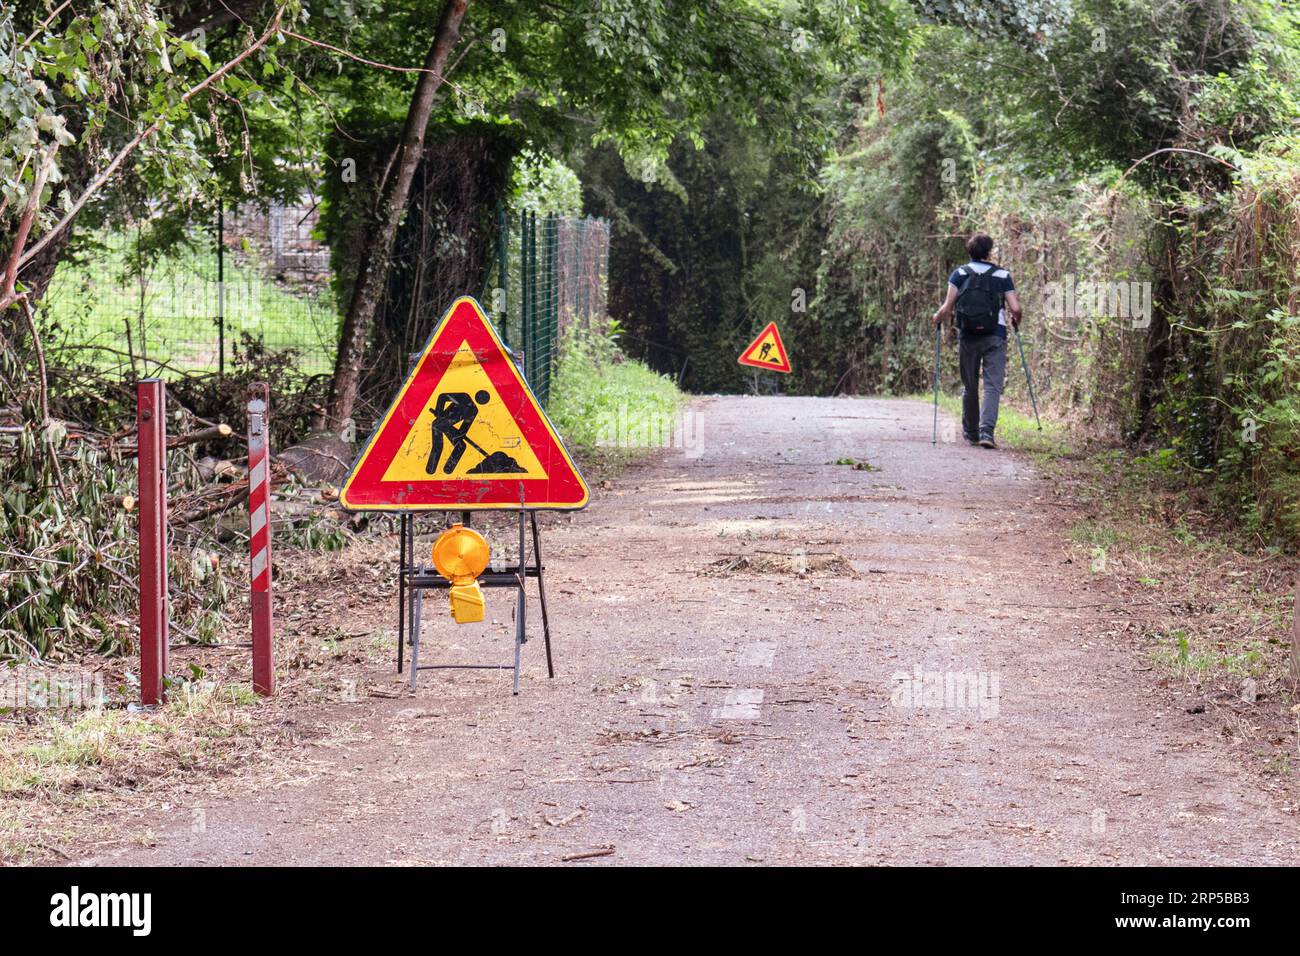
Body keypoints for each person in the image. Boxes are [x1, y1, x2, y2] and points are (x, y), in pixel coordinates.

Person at [931, 233, 1022, 449]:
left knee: (969, 385)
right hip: (995, 335)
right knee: (992, 386)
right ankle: (986, 433)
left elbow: (947, 307)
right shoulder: (1002, 275)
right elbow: (1016, 308)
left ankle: (971, 432)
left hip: (968, 335)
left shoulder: (960, 273)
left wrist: (936, 318)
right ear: (989, 252)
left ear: (970, 252)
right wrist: (1016, 319)